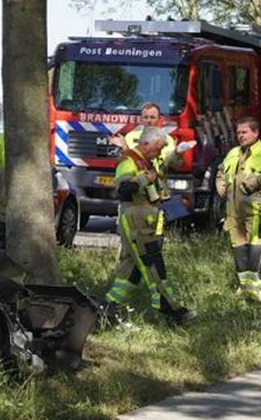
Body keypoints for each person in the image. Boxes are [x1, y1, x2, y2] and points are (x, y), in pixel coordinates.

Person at [103, 126, 196, 325]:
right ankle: (172, 310)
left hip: (146, 222)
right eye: (158, 148)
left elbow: (165, 170)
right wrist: (145, 178)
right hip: (136, 222)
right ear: (146, 144)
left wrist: (177, 154)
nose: (159, 152)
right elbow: (123, 189)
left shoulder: (147, 161)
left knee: (132, 269)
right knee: (153, 265)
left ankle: (108, 309)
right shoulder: (128, 161)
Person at [216, 116, 261, 299]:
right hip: (234, 213)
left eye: (245, 132)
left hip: (256, 212)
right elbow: (221, 170)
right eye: (238, 132)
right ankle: (245, 288)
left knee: (256, 249)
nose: (241, 136)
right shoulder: (233, 152)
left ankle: (257, 289)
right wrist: (219, 182)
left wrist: (256, 181)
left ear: (256, 133)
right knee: (239, 249)